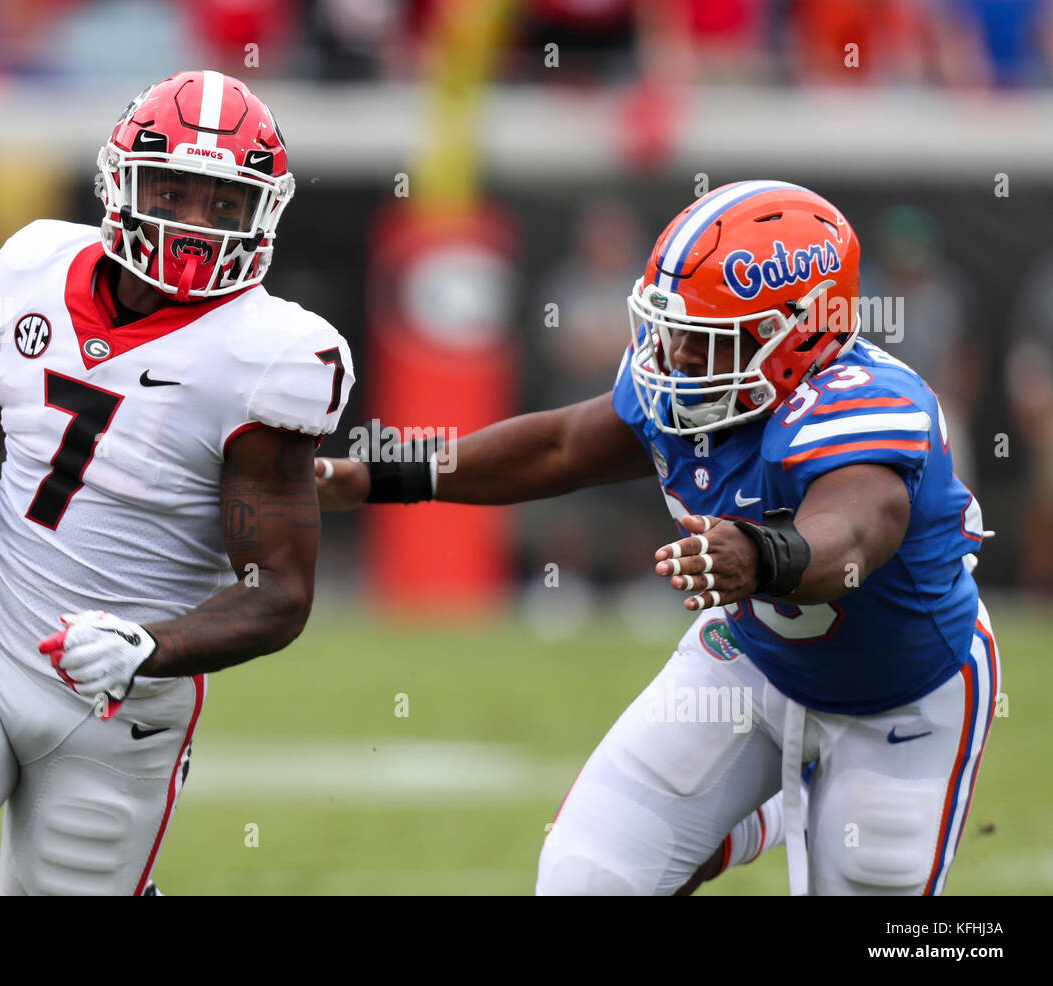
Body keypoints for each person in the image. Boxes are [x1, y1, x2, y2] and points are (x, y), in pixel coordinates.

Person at [318, 180, 998, 895]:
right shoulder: (684, 376)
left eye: (703, 338)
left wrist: (765, 555)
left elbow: (854, 535)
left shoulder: (867, 405)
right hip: (753, 663)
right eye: (669, 328)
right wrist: (377, 476)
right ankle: (760, 805)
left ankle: (768, 801)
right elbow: (559, 448)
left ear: (793, 337)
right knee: (588, 877)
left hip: (902, 696)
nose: (672, 354)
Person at [0, 70, 354, 895]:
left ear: (263, 214)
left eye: (224, 205)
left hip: (120, 704)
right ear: (121, 184)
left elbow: (278, 592)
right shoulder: (33, 267)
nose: (197, 227)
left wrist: (149, 646)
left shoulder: (268, 356)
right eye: (175, 192)